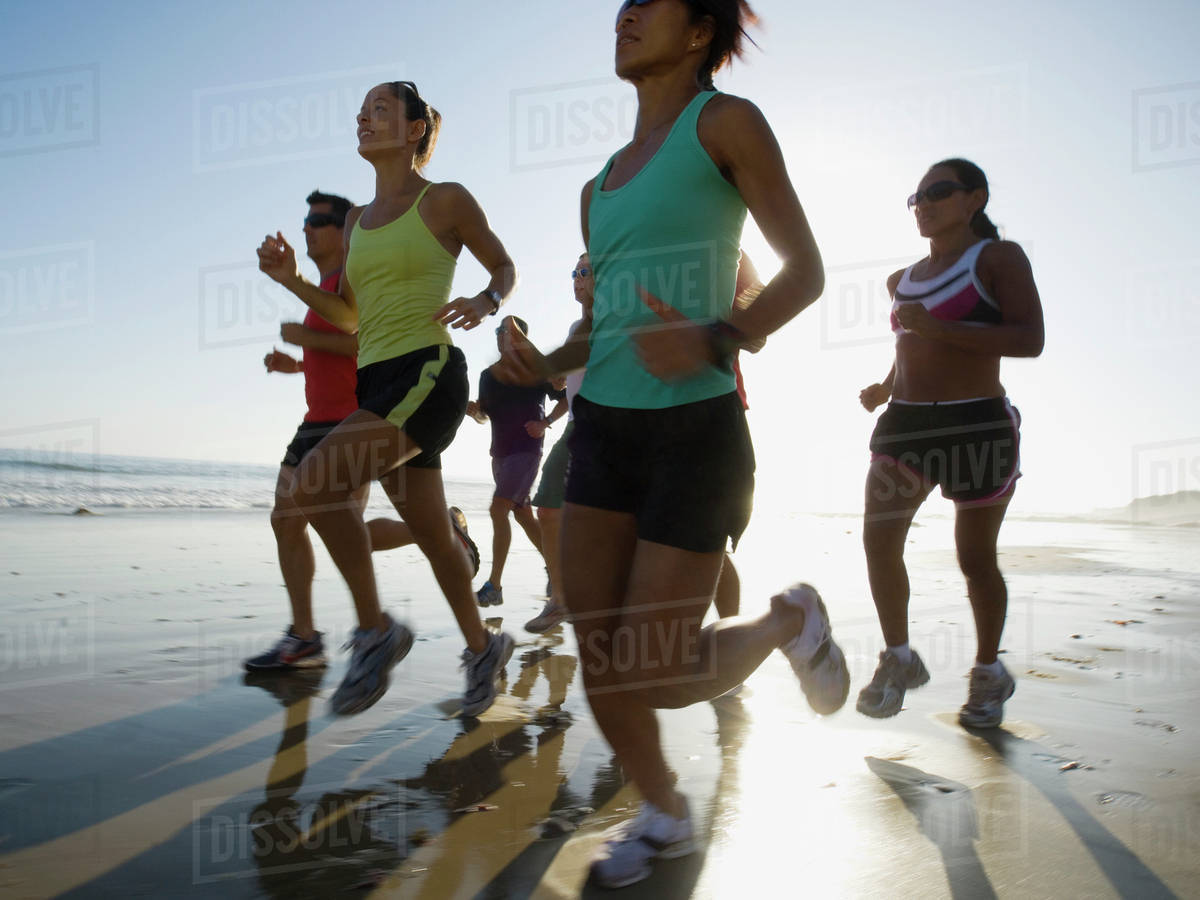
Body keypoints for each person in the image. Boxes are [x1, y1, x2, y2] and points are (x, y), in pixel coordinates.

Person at [495, 2, 848, 888]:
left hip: (696, 428)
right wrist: (547, 360)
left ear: (699, 32)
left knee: (649, 670)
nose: (626, 14)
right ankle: (665, 816)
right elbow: (604, 326)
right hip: (605, 429)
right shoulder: (599, 185)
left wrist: (717, 337)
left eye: (650, 4)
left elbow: (805, 269)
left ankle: (785, 619)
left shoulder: (725, 123)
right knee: (599, 652)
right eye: (623, 4)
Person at [256, 80, 518, 717]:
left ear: (414, 130)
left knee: (313, 488)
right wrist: (291, 280)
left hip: (427, 372)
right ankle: (483, 648)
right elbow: (348, 318)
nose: (363, 117)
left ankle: (375, 631)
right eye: (361, 109)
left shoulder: (445, 200)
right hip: (377, 383)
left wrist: (486, 301)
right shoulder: (354, 222)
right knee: (434, 539)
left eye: (378, 109)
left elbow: (503, 267)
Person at [856, 158, 1045, 729]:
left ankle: (988, 672)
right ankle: (898, 657)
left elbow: (1030, 338)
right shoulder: (901, 279)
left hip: (977, 424)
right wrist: (885, 386)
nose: (924, 203)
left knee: (975, 559)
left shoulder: (997, 259)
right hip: (906, 423)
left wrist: (943, 330)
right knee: (879, 536)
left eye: (939, 192)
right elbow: (909, 344)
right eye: (916, 196)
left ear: (974, 199)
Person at [466, 316, 566, 609]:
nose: (500, 336)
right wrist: (475, 413)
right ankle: (555, 569)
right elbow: (485, 415)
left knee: (498, 510)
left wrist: (545, 422)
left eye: (506, 332)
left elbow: (567, 397)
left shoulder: (535, 370)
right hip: (500, 453)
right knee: (522, 515)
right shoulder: (488, 375)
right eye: (498, 331)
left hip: (526, 450)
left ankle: (494, 586)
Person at [525, 255, 594, 633]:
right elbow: (567, 383)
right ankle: (560, 599)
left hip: (612, 425)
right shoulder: (574, 327)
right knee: (548, 507)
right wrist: (557, 385)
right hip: (576, 426)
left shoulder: (617, 320)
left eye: (585, 272)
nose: (577, 279)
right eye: (574, 273)